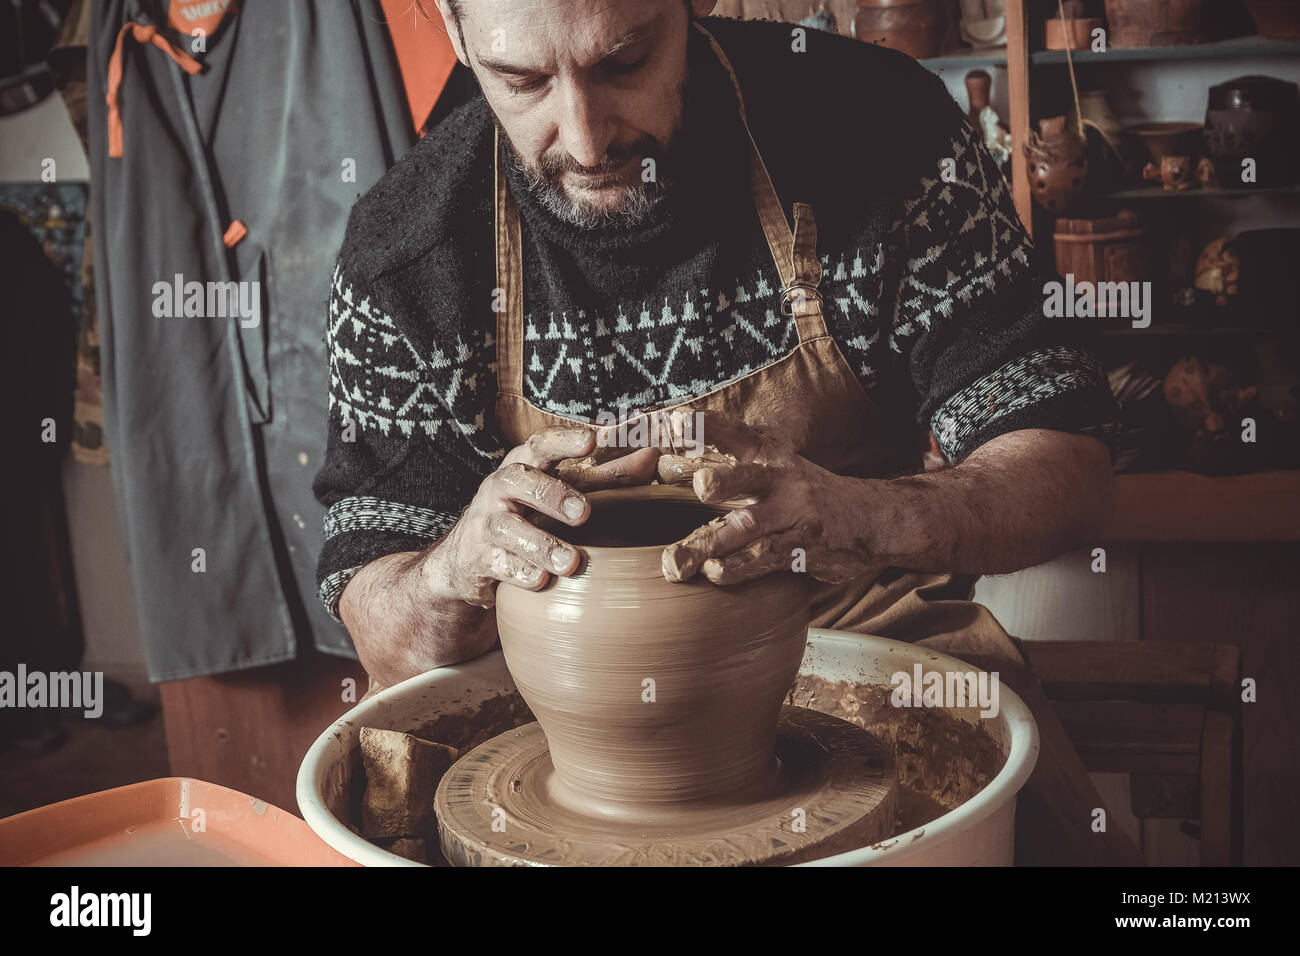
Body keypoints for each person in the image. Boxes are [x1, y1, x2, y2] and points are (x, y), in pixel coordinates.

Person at [313, 0, 1136, 863]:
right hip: (547, 709)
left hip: (871, 639)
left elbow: (1069, 460)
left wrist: (863, 517)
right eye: (522, 81)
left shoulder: (880, 132)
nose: (587, 140)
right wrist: (451, 572)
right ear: (453, 31)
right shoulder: (408, 253)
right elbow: (380, 616)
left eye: (624, 62)